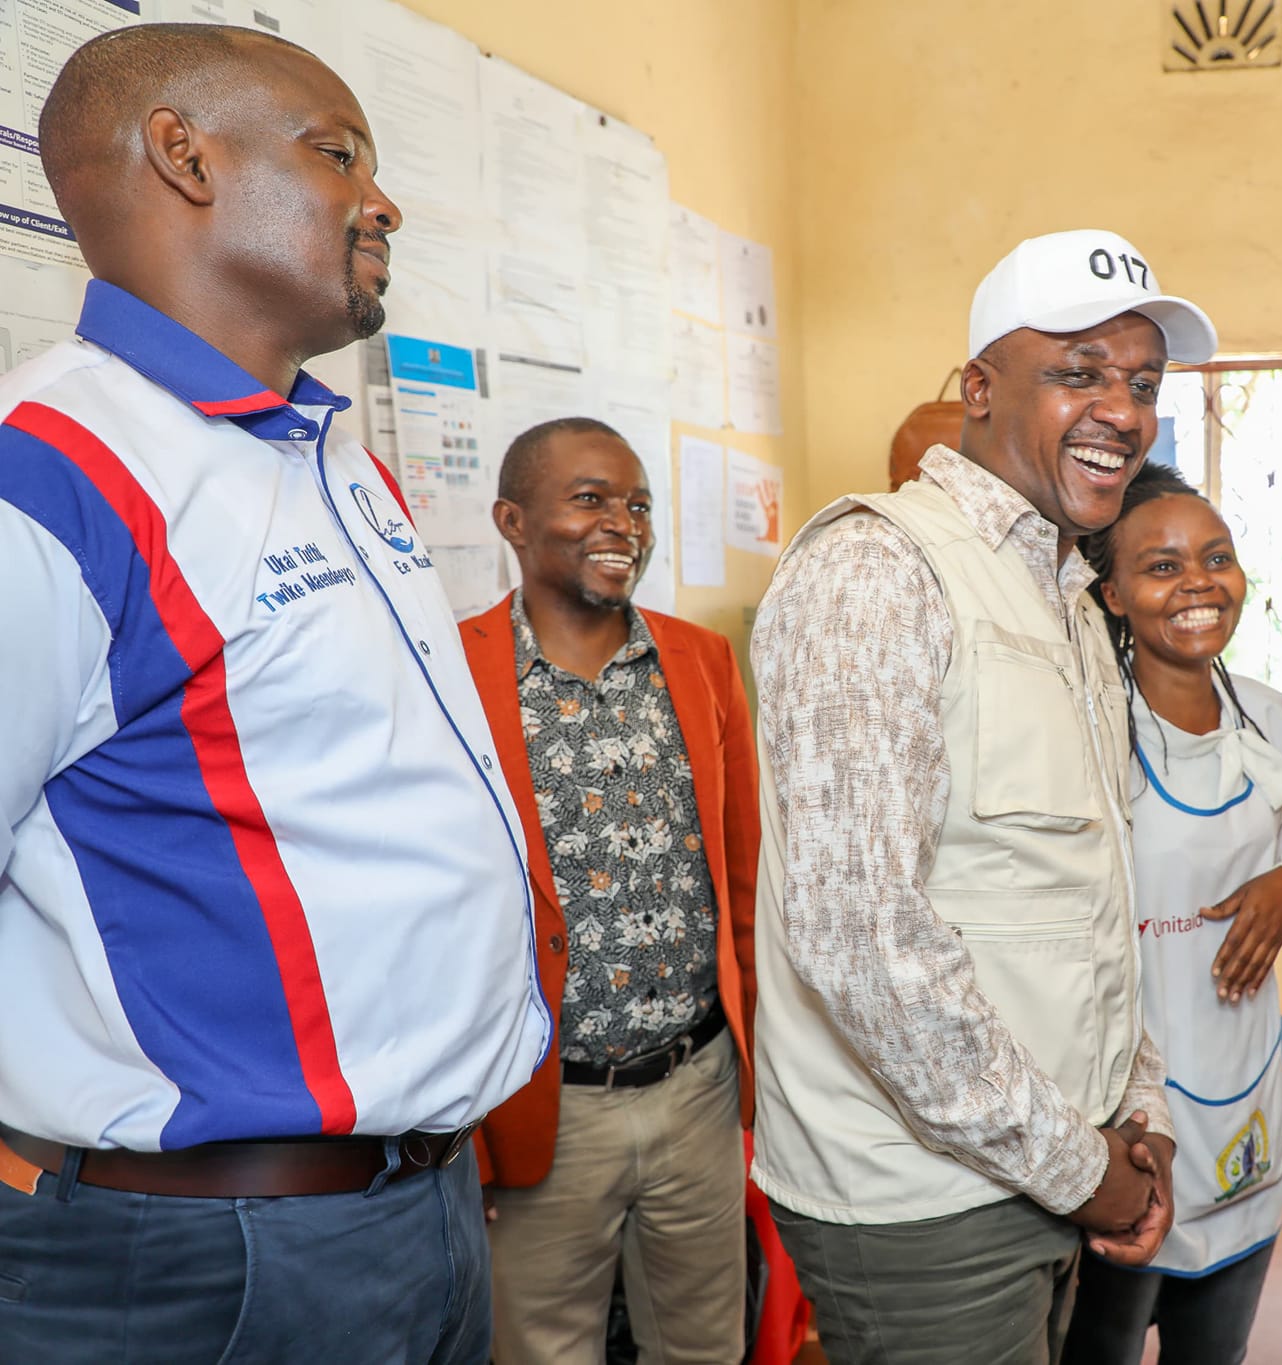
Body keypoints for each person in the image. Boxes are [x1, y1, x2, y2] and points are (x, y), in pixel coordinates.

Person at [0, 23, 550, 1364]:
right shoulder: (53, 477)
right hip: (211, 1258)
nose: (383, 199)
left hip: (420, 1208)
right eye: (336, 153)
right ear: (183, 157)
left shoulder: (326, 454)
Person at [749, 228, 1218, 1364]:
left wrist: (1135, 1116)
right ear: (976, 388)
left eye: (1142, 383)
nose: (1122, 409)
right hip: (925, 1205)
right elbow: (860, 938)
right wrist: (1084, 1170)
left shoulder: (1062, 589)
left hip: (1046, 1167)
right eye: (1076, 372)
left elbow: (1082, 897)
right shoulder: (877, 570)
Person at [460, 417, 760, 1365]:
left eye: (636, 504)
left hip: (696, 1089)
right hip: (547, 1105)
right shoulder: (455, 671)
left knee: (705, 1345)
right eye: (589, 499)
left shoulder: (700, 660)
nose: (621, 522)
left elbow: (745, 873)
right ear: (512, 519)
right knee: (543, 1348)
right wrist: (464, 1133)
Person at [1063, 462, 1282, 1365]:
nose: (1199, 583)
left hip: (1247, 1107)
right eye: (1164, 566)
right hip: (1126, 1122)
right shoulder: (1083, 733)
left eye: (1216, 557)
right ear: (1113, 592)